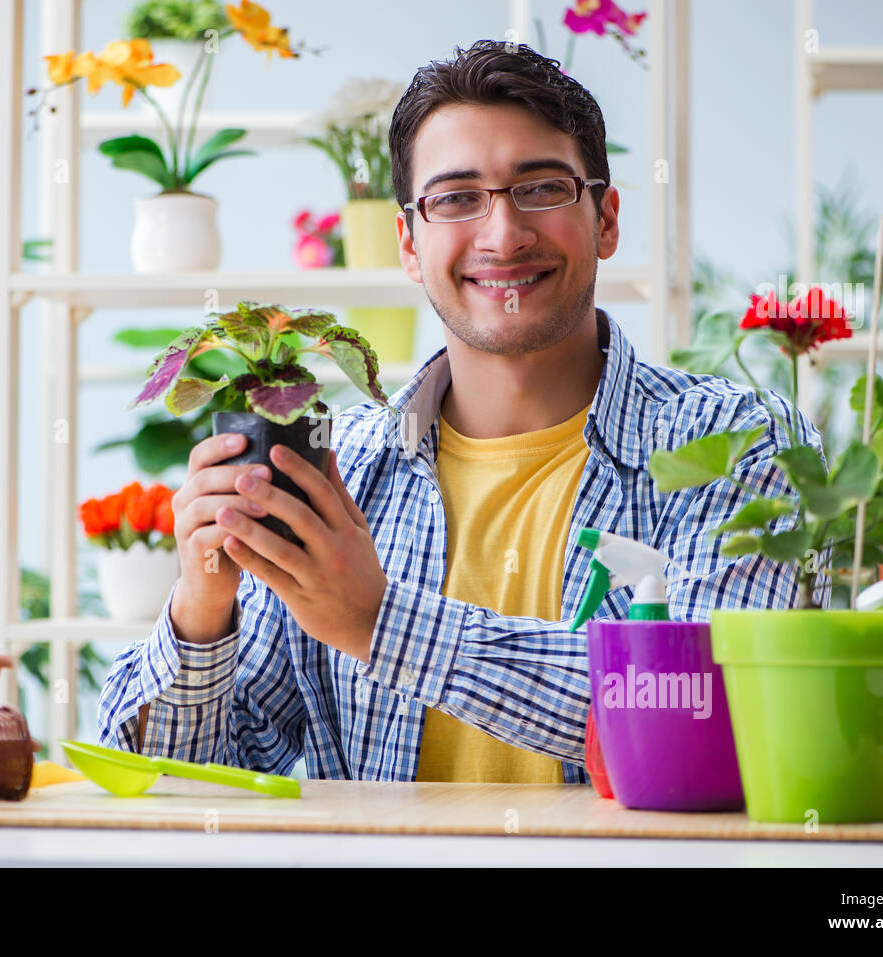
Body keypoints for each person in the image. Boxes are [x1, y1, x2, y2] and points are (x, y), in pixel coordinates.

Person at [98, 39, 821, 784]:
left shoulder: (741, 444)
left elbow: (718, 715)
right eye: (455, 199)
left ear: (606, 219)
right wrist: (202, 608)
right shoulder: (335, 472)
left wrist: (381, 624)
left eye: (541, 188)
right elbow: (173, 786)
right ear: (408, 242)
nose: (502, 235)